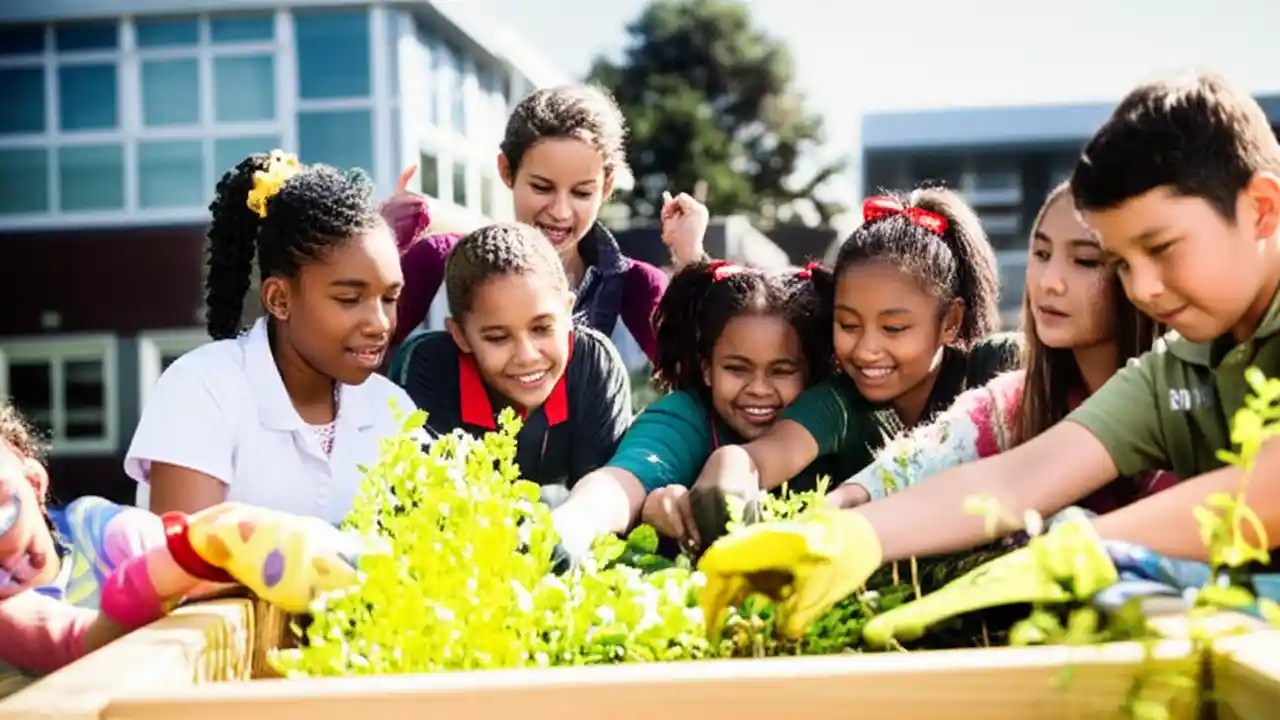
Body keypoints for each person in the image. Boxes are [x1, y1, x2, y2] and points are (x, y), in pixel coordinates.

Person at [696, 71, 1280, 639]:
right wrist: (850, 538)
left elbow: (1266, 493)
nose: (1144, 289)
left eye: (1162, 248)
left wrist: (1073, 552)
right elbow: (1019, 479)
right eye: (1125, 262)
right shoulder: (1181, 363)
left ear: (1261, 207)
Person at [686, 187, 1021, 549]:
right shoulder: (839, 402)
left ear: (950, 321)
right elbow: (769, 454)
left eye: (894, 328)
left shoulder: (997, 366)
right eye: (848, 325)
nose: (865, 350)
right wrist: (731, 465)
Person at [828, 182, 1174, 513]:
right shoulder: (1015, 404)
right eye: (1041, 253)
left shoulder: (1188, 397)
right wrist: (832, 512)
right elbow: (913, 464)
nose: (1049, 281)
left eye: (1084, 260)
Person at [125, 150, 414, 523]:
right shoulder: (201, 388)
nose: (379, 323)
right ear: (279, 299)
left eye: (390, 298)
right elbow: (183, 568)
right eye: (348, 298)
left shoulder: (394, 410)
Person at [0, 400, 375, 684]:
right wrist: (169, 567)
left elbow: (158, 545)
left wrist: (219, 549)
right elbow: (76, 641)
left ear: (34, 484)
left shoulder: (92, 527)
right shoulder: (9, 618)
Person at [384, 84, 709, 362]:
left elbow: (700, 377)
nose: (561, 211)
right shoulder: (438, 261)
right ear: (506, 171)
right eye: (541, 188)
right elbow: (361, 348)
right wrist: (381, 241)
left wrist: (690, 257)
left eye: (582, 192)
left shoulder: (636, 286)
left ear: (606, 186)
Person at [548, 260, 833, 554]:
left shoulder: (834, 410)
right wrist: (575, 523)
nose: (759, 389)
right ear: (707, 368)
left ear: (810, 372)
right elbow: (624, 478)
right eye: (737, 369)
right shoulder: (684, 417)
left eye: (781, 371)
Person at [389, 223, 632, 509]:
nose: (527, 356)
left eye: (542, 328)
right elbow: (430, 504)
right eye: (497, 338)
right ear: (461, 336)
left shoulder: (594, 365)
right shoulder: (427, 368)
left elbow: (602, 503)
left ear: (567, 311)